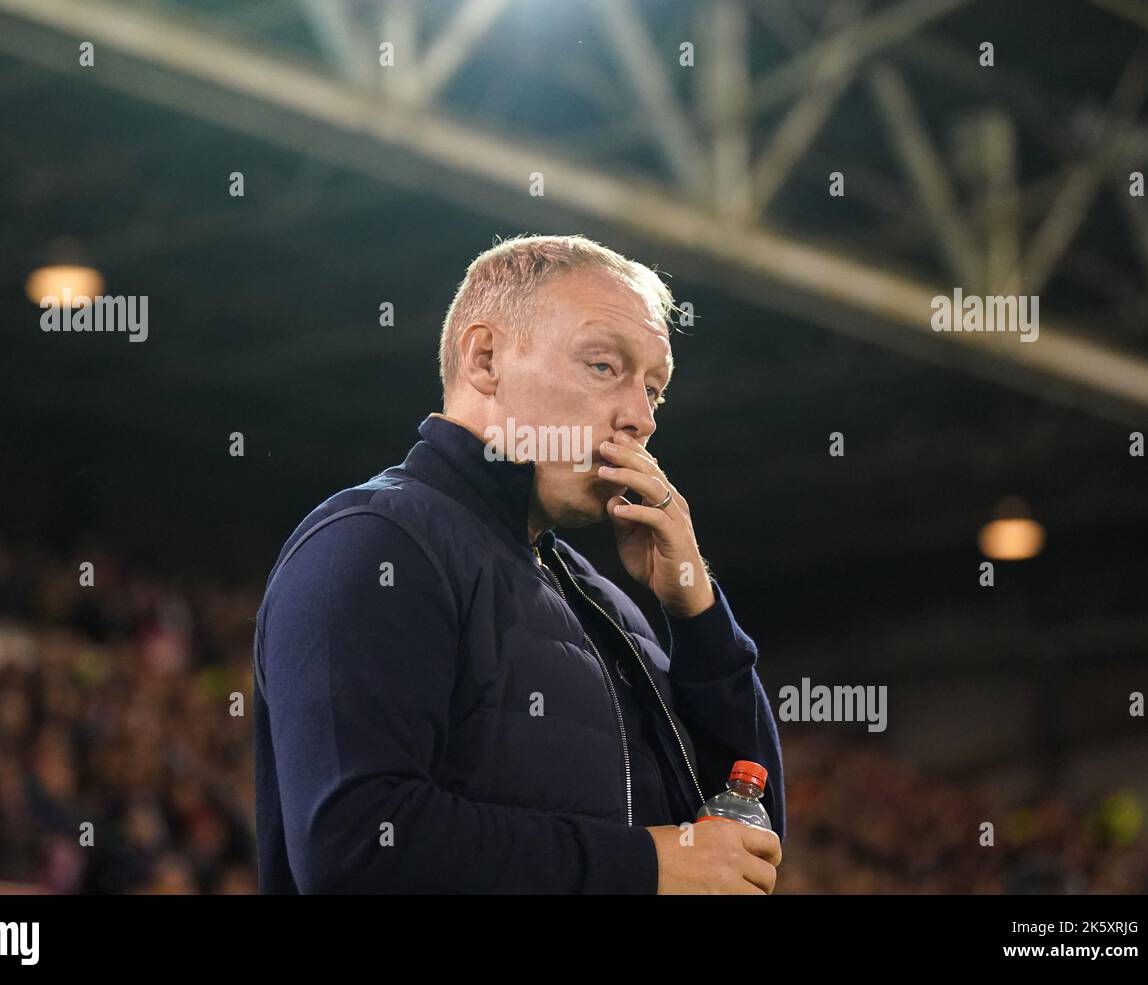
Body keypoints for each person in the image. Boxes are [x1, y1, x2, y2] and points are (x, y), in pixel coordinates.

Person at [253, 234, 784, 893]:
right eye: (602, 366)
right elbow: (358, 846)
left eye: (655, 390)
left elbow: (744, 848)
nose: (640, 416)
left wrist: (695, 610)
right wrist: (646, 866)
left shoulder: (608, 608)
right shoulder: (374, 542)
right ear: (485, 359)